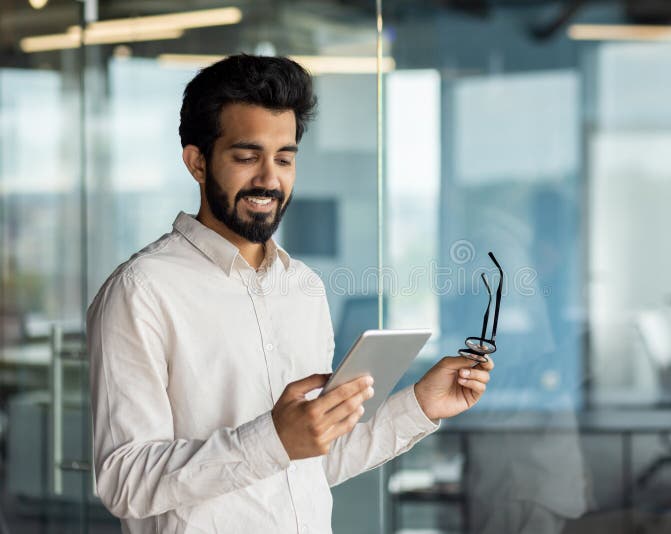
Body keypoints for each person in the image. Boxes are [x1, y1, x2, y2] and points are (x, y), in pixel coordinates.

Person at [87, 54, 493, 533]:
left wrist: (420, 405)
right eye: (246, 157)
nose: (268, 179)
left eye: (284, 158)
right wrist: (272, 440)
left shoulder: (303, 287)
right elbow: (123, 481)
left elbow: (309, 463)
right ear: (197, 161)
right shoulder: (142, 292)